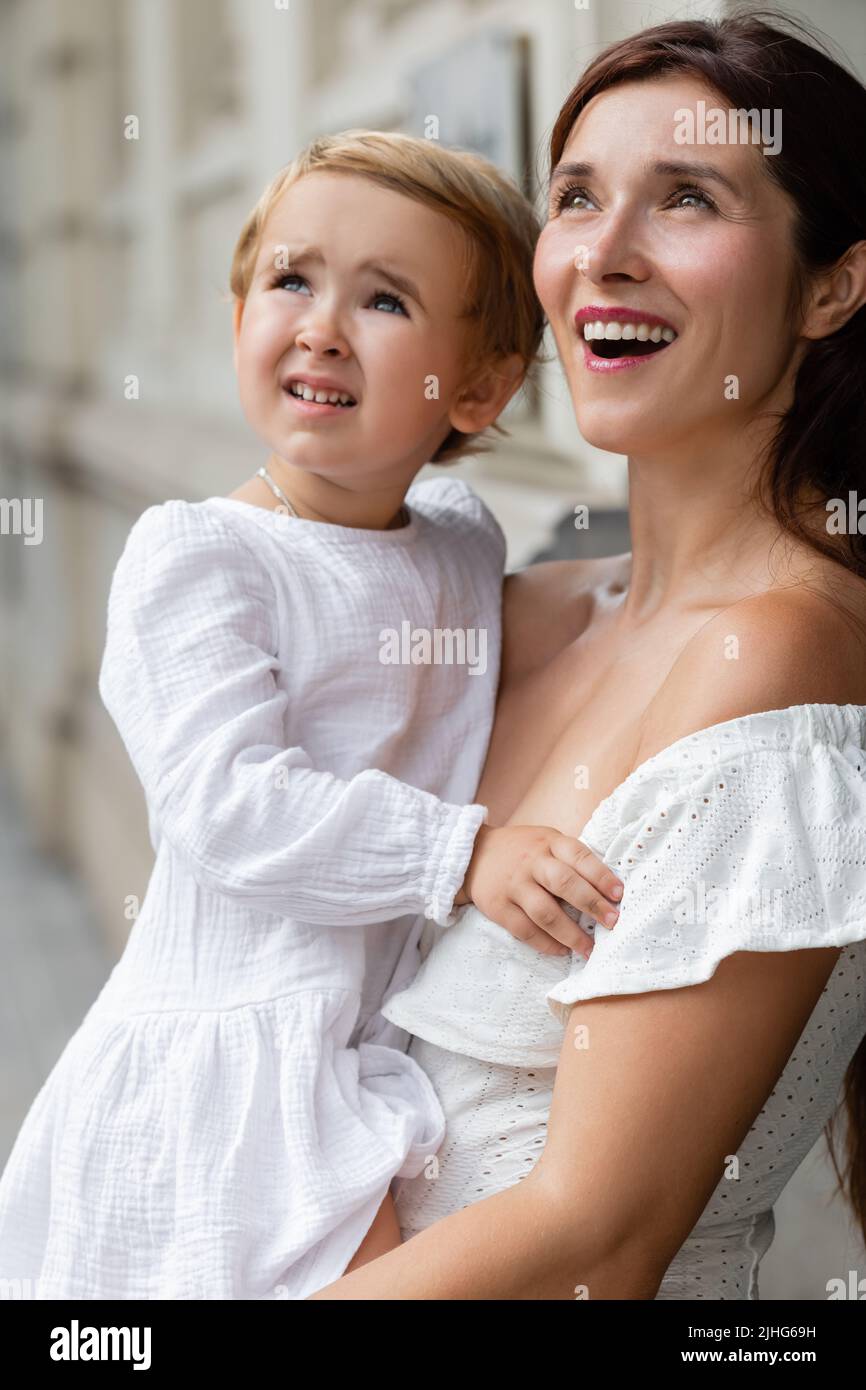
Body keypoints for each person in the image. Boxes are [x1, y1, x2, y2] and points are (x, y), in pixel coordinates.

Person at [0, 132, 623, 1300]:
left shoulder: (454, 535)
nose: (322, 324)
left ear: (480, 387)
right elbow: (228, 805)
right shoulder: (201, 558)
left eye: (384, 299)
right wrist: (461, 852)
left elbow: (526, 624)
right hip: (230, 1077)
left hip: (364, 1044)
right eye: (289, 279)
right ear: (239, 312)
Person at [309, 14, 866, 1300]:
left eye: (686, 200)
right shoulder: (527, 610)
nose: (604, 255)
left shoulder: (778, 659)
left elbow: (595, 1240)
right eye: (573, 198)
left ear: (832, 284)